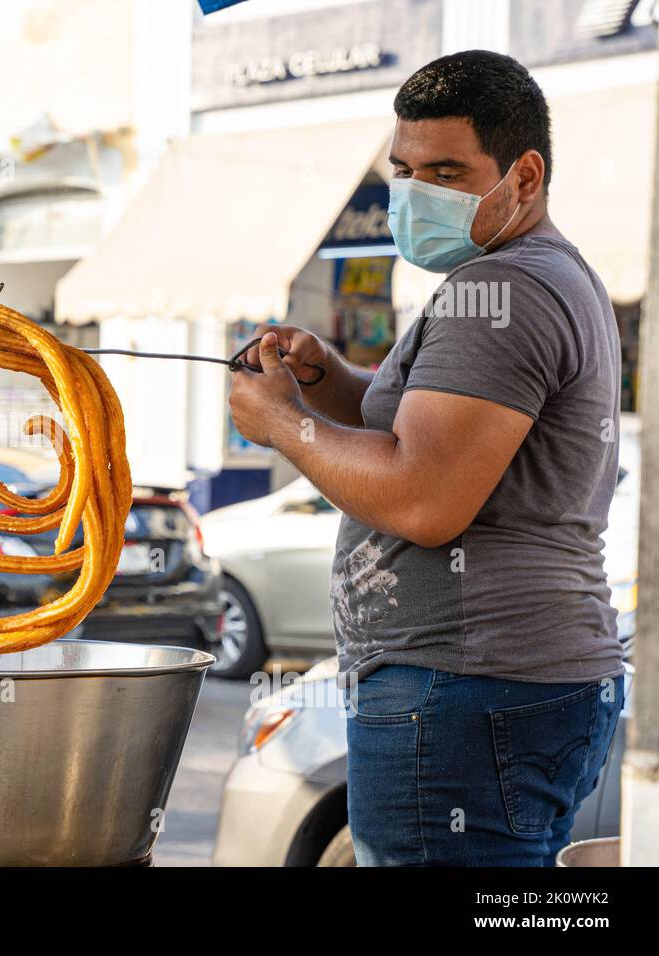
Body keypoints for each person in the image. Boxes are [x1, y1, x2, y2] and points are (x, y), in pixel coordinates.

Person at [228, 50, 625, 866]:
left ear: (525, 173)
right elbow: (440, 428)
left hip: (467, 689)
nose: (415, 193)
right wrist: (327, 381)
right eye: (403, 169)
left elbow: (423, 500)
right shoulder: (526, 276)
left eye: (446, 170)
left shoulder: (503, 291)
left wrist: (282, 426)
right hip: (504, 686)